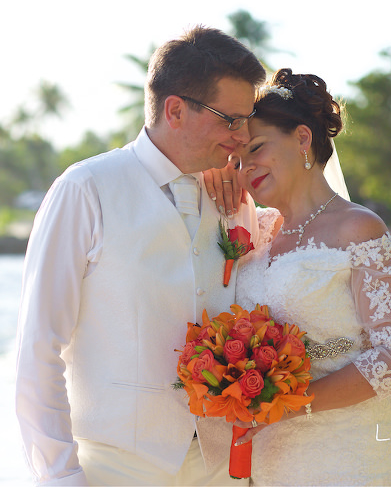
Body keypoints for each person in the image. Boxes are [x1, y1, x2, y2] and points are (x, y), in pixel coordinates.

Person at [14, 26, 266, 486]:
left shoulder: (232, 201)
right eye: (230, 119)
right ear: (175, 110)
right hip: (114, 467)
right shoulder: (85, 189)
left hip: (220, 467)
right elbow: (38, 345)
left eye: (246, 119)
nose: (242, 135)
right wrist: (60, 477)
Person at [207, 68, 391, 485]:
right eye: (236, 162)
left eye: (256, 148)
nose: (245, 168)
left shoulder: (358, 229)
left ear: (303, 138)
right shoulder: (254, 234)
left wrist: (290, 403)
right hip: (270, 459)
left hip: (349, 454)